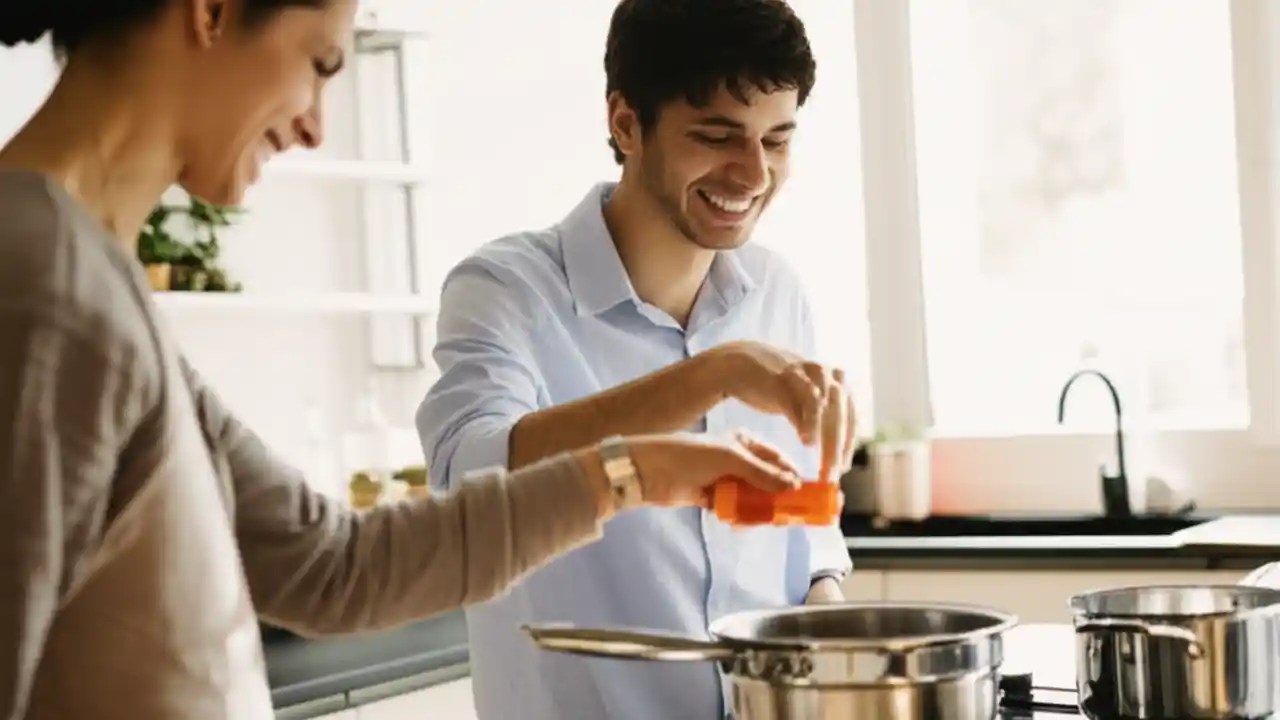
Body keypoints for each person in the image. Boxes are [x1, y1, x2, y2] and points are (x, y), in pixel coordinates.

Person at [0, 2, 807, 718]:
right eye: (320, 63)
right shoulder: (42, 280)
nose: (317, 124)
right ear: (209, 12)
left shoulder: (88, 281)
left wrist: (632, 474)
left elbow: (332, 567)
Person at [415, 1, 856, 718]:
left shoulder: (778, 291)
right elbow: (470, 477)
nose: (753, 174)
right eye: (717, 137)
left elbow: (806, 536)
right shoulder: (506, 289)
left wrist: (830, 616)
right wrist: (709, 376)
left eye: (776, 141)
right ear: (626, 124)